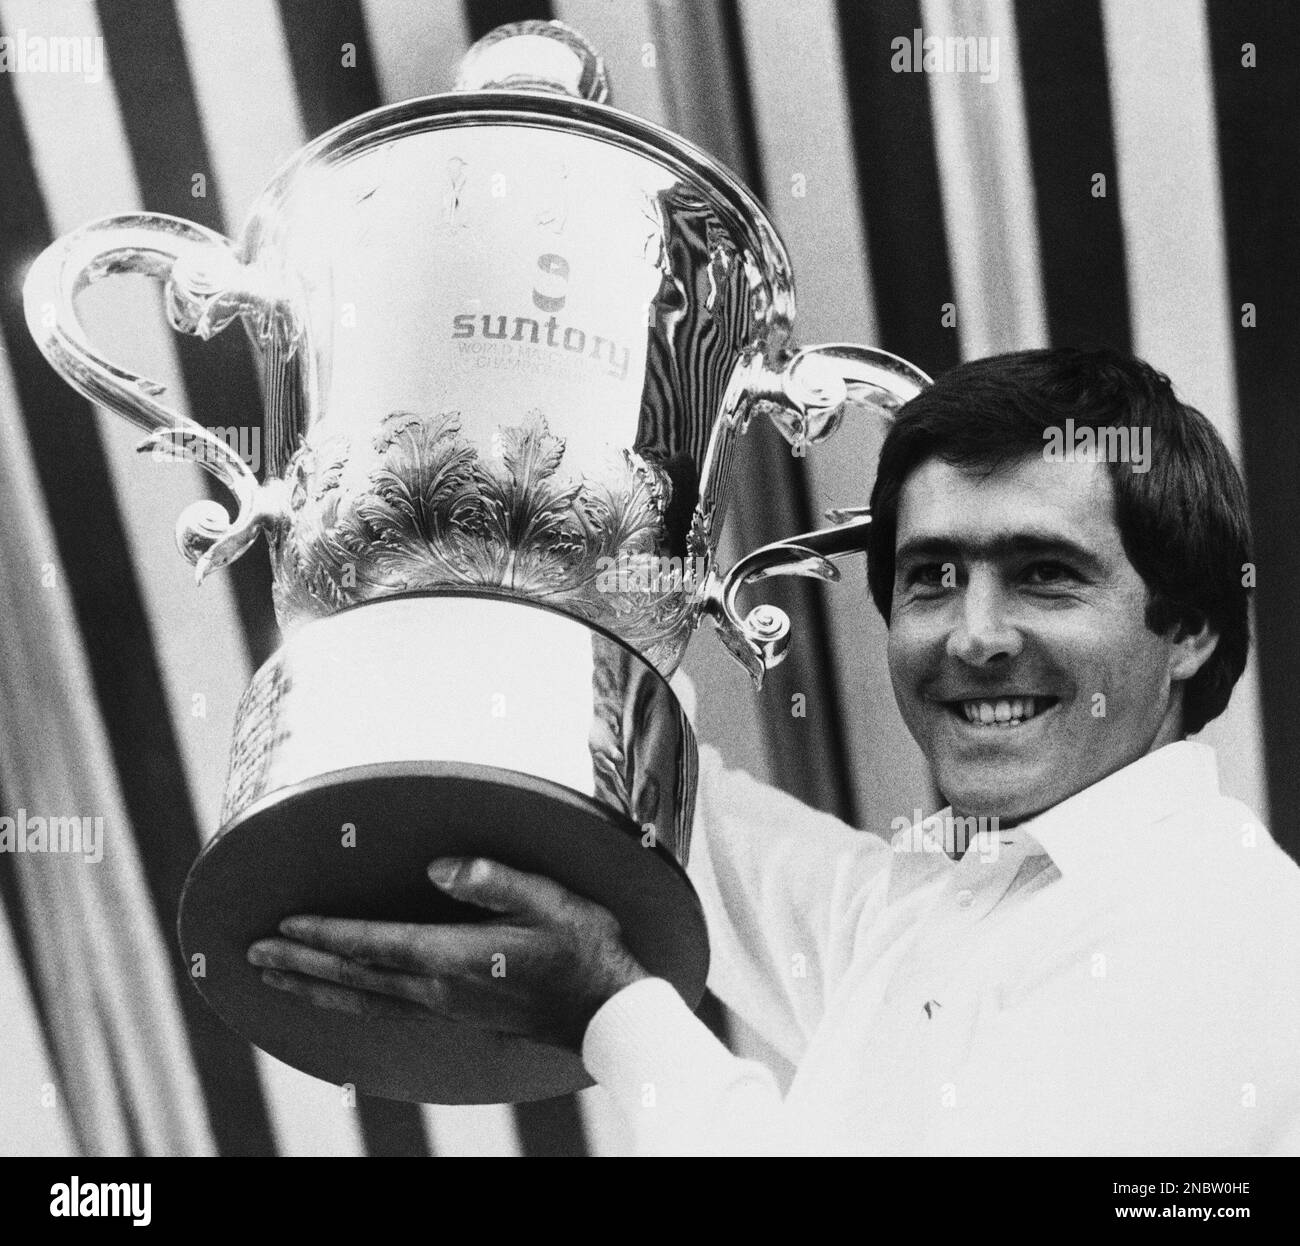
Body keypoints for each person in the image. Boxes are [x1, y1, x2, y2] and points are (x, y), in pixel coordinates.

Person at [247, 346, 1300, 1155]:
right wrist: (505, 567)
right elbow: (684, 804)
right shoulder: (932, 906)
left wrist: (610, 1010)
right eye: (931, 578)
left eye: (1044, 575)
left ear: (1190, 625)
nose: (973, 636)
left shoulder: (1231, 930)